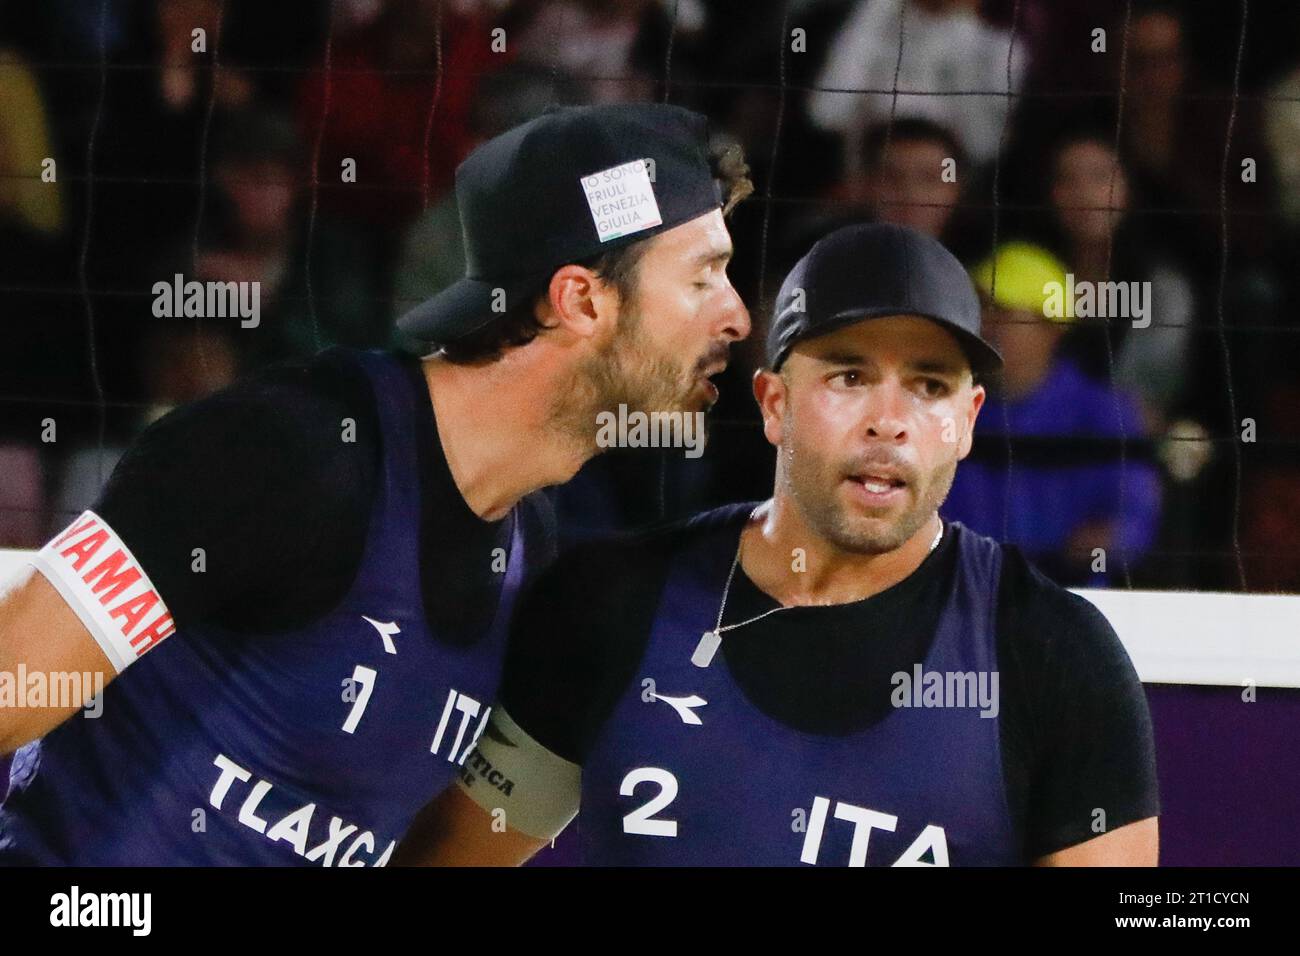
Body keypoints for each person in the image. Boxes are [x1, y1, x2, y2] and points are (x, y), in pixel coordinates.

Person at [0, 103, 752, 865]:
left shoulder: (528, 542)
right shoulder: (292, 451)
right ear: (582, 301)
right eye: (704, 278)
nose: (738, 317)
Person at [395, 223, 1159, 867]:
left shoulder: (1054, 656)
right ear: (773, 403)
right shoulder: (613, 603)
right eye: (849, 375)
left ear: (967, 419)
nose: (888, 420)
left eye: (929, 387)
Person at [943, 242, 1162, 584]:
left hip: (1071, 603)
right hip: (958, 596)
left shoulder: (1105, 413)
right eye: (981, 309)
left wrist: (1097, 544)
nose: (988, 325)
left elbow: (1134, 523)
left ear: (1052, 328)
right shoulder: (944, 409)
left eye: (1004, 311)